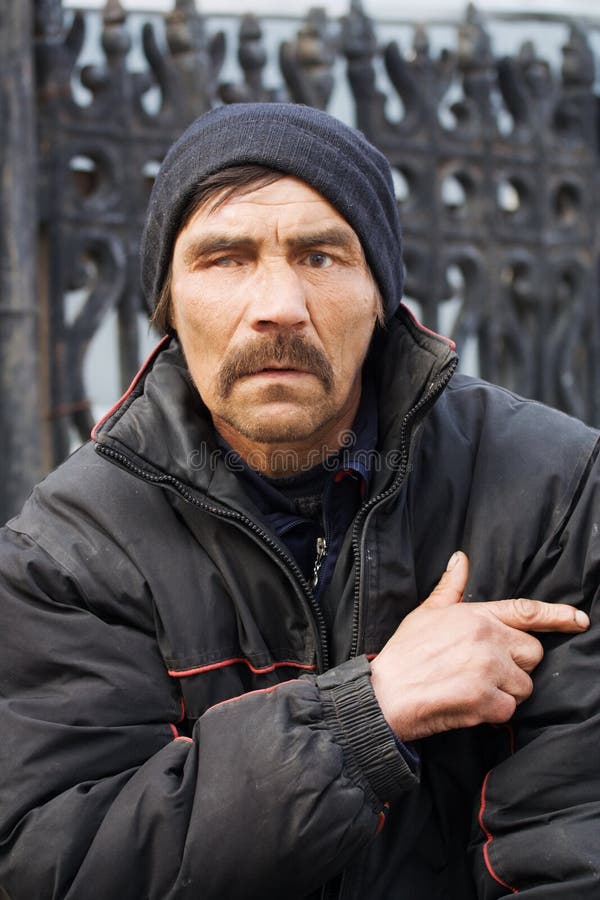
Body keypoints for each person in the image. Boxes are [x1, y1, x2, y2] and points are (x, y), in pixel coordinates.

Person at [0, 103, 599, 900]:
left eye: (321, 256)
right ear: (167, 307)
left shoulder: (553, 486)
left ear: (380, 293)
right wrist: (366, 715)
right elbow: (60, 861)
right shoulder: (67, 552)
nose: (277, 303)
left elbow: (571, 842)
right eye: (225, 257)